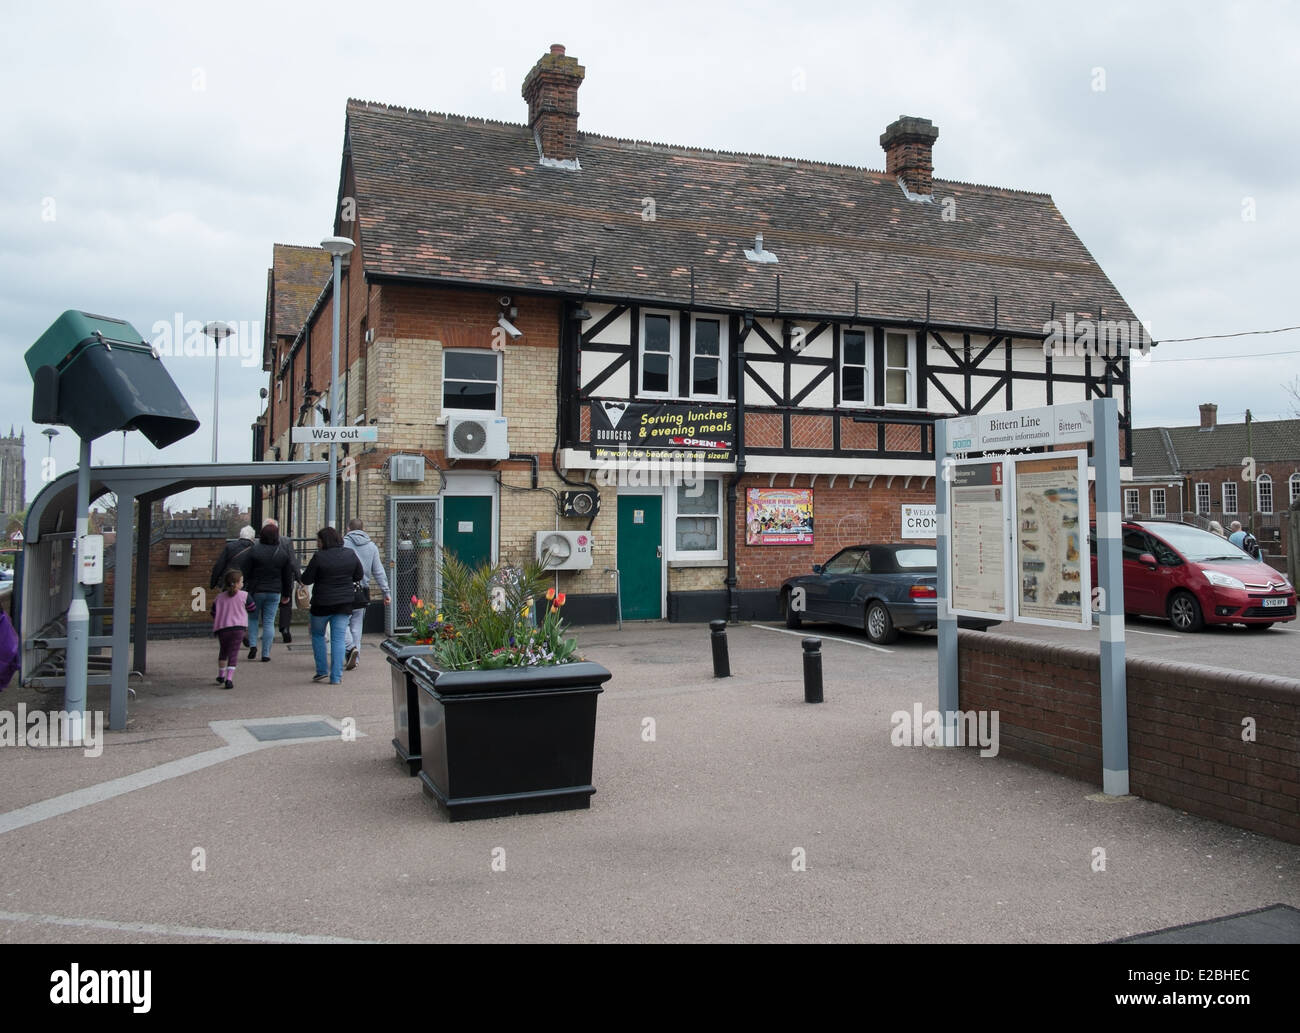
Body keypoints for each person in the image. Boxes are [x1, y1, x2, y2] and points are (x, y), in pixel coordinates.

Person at [301, 525, 363, 684]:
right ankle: (336, 676)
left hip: (321, 604)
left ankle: (322, 670)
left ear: (324, 541)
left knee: (317, 635)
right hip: (343, 604)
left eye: (318, 540)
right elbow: (359, 574)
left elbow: (307, 579)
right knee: (338, 639)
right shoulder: (350, 554)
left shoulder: (319, 557)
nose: (317, 543)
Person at [236, 522, 293, 662]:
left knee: (253, 619)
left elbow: (245, 571)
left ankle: (253, 646)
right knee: (269, 621)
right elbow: (287, 576)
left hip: (256, 591)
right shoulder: (282, 553)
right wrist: (287, 594)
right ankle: (266, 653)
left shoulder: (254, 551)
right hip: (274, 591)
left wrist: (245, 588)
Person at [343, 518, 390, 671]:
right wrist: (386, 592)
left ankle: (350, 649)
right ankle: (356, 657)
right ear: (363, 529)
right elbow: (379, 571)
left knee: (342, 623)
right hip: (362, 591)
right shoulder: (371, 547)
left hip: (344, 589)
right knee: (357, 624)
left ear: (348, 529)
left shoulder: (344, 544)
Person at [211, 569, 256, 690]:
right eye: (241, 581)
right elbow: (252, 608)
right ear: (236, 583)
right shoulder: (244, 595)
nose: (242, 583)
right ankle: (229, 679)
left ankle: (220, 675)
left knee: (223, 651)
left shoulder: (219, 597)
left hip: (223, 628)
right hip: (238, 628)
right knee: (233, 653)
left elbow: (213, 612)